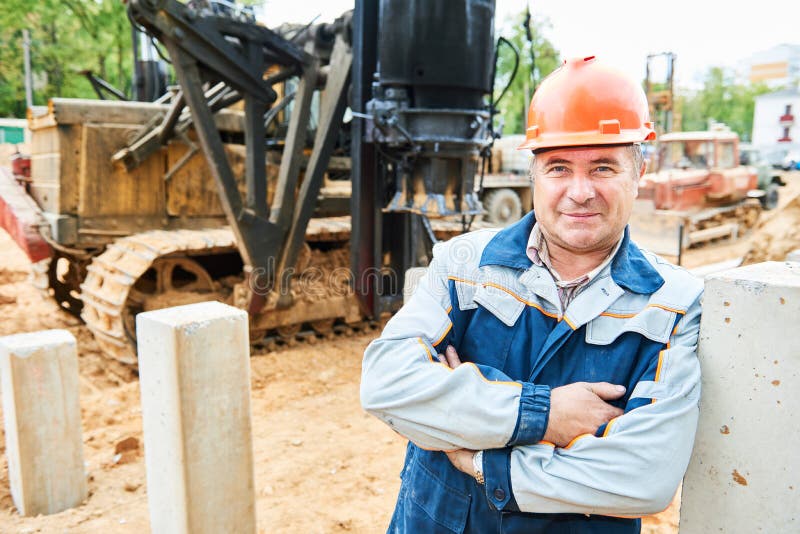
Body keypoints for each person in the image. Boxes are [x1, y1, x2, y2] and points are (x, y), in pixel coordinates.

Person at [360, 56, 703, 534]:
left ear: (639, 173)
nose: (580, 192)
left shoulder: (673, 304)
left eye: (603, 167)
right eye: (559, 167)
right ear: (534, 175)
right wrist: (544, 416)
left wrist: (478, 456)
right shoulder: (466, 264)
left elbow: (643, 479)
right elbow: (386, 385)